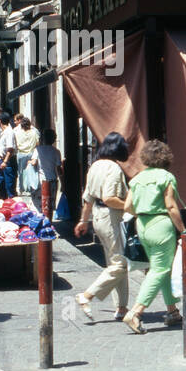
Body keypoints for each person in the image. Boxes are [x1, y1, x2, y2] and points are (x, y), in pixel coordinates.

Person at [121, 139, 186, 334]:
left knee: (161, 268)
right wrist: (183, 229)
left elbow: (127, 207)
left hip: (142, 225)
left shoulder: (137, 178)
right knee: (159, 270)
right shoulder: (166, 177)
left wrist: (143, 210)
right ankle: (135, 312)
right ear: (165, 157)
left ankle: (172, 311)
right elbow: (171, 206)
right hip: (161, 225)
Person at [73, 131, 129, 323]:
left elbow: (88, 198)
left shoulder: (95, 166)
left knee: (114, 263)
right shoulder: (114, 169)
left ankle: (121, 308)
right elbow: (109, 198)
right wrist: (130, 206)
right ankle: (87, 296)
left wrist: (83, 221)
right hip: (110, 217)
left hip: (97, 217)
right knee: (120, 264)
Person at [32, 127, 63, 213]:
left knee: (42, 204)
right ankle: (50, 222)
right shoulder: (56, 151)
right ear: (53, 139)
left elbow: (34, 162)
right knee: (50, 205)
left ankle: (43, 221)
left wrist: (29, 162)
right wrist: (63, 182)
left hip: (41, 180)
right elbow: (58, 168)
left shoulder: (37, 150)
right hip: (52, 180)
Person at [15, 114, 40, 195]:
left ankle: (20, 189)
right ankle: (30, 189)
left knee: (20, 172)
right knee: (31, 172)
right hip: (31, 154)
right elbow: (37, 143)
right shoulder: (34, 132)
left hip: (21, 153)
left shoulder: (17, 132)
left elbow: (15, 143)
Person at [0, 110, 18, 197]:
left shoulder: (9, 132)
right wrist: (0, 159)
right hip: (3, 160)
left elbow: (10, 148)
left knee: (10, 186)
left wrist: (5, 161)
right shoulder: (4, 132)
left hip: (8, 162)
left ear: (0, 121)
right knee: (1, 186)